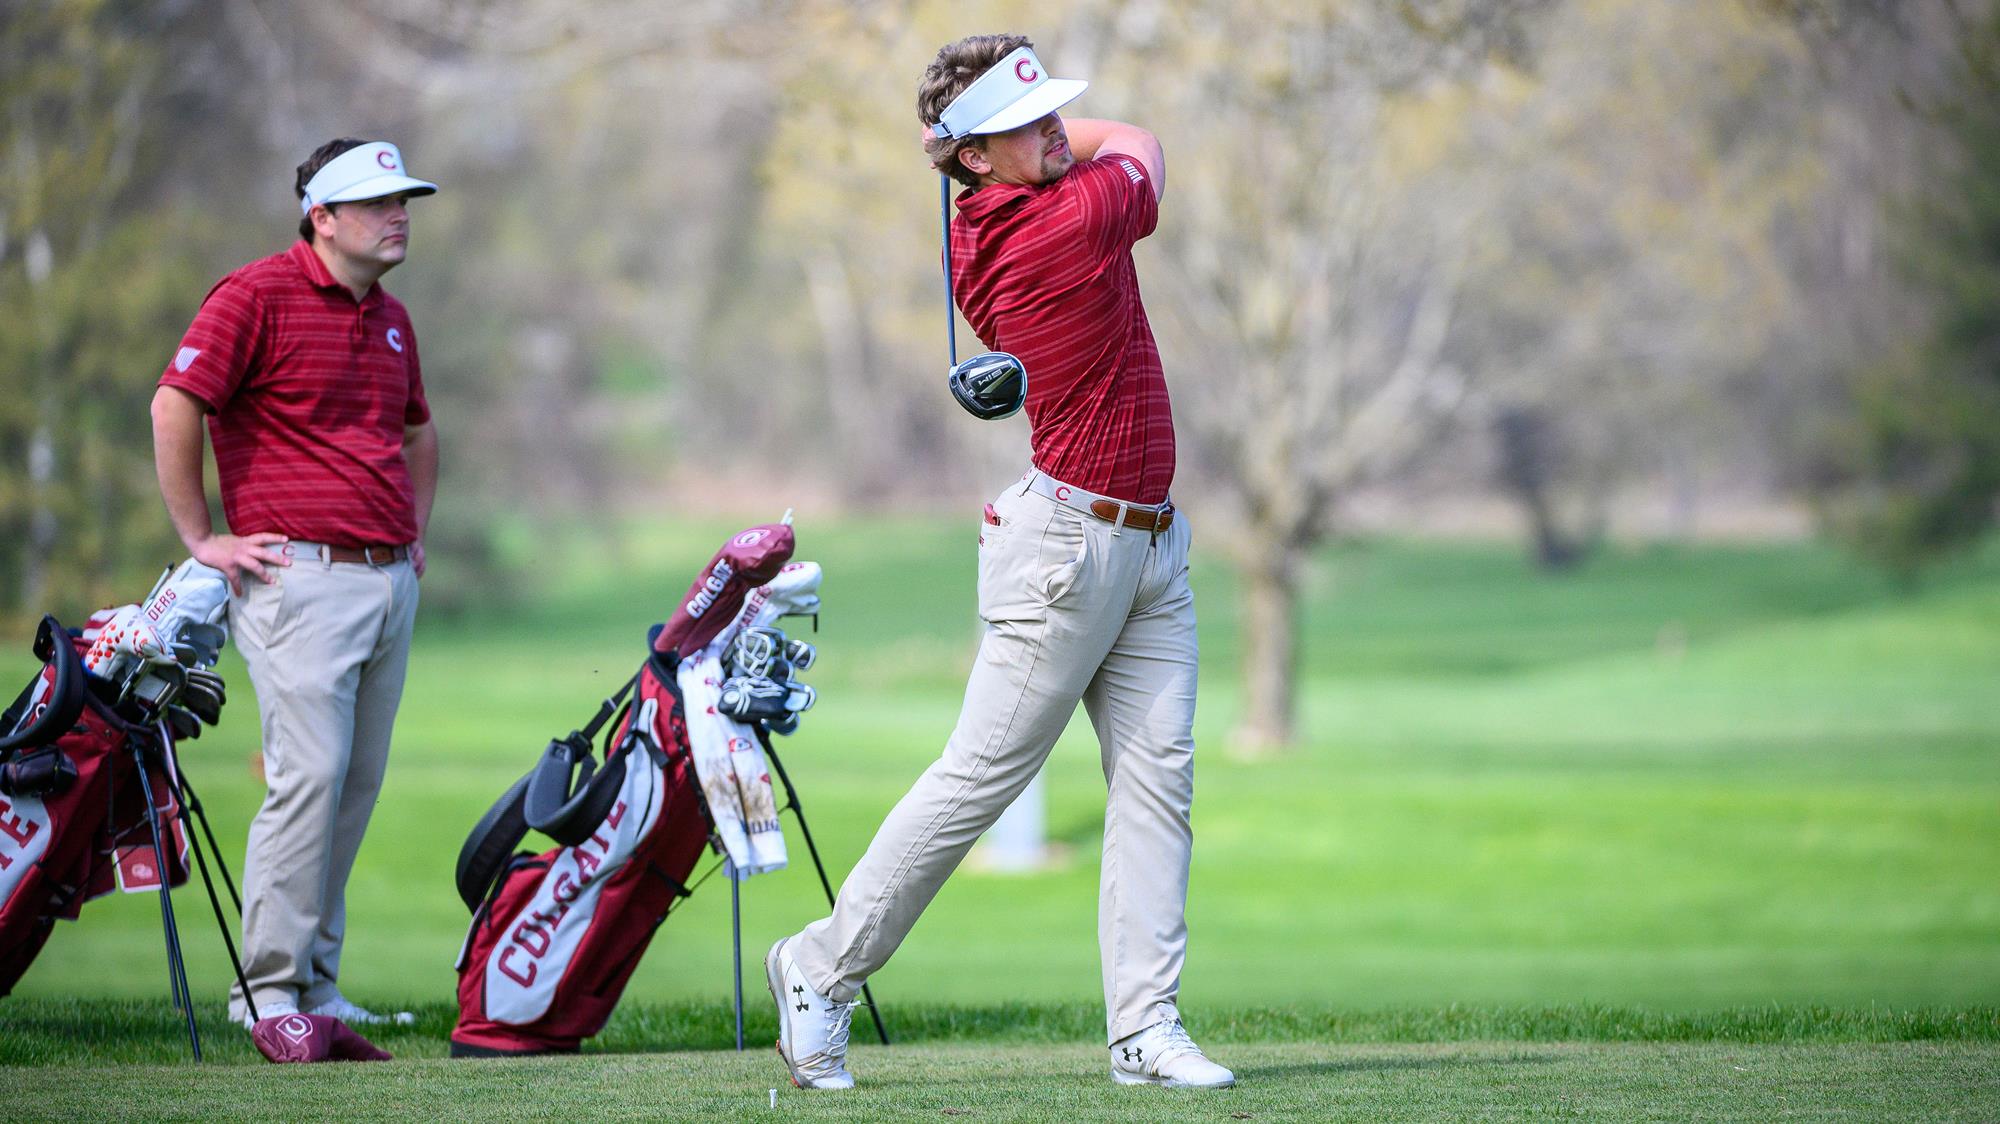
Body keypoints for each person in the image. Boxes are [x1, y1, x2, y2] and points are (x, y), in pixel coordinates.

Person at [767, 36, 1233, 1090]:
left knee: (1157, 786)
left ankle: (1145, 1027)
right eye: (1027, 124)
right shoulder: (1060, 225)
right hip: (1068, 554)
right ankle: (820, 968)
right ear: (973, 157)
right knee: (979, 779)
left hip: (1148, 544)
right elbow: (1142, 142)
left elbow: (1084, 147)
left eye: (1053, 111)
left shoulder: (1000, 210)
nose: (1057, 130)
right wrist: (1064, 140)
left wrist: (1012, 133)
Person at [150, 138, 440, 1031]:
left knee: (352, 786)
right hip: (298, 581)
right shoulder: (254, 296)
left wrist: (414, 535)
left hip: (386, 581)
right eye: (379, 203)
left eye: (403, 201)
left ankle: (315, 985)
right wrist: (201, 538)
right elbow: (174, 403)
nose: (399, 216)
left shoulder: (391, 317)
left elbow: (417, 432)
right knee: (309, 779)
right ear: (323, 217)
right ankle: (265, 993)